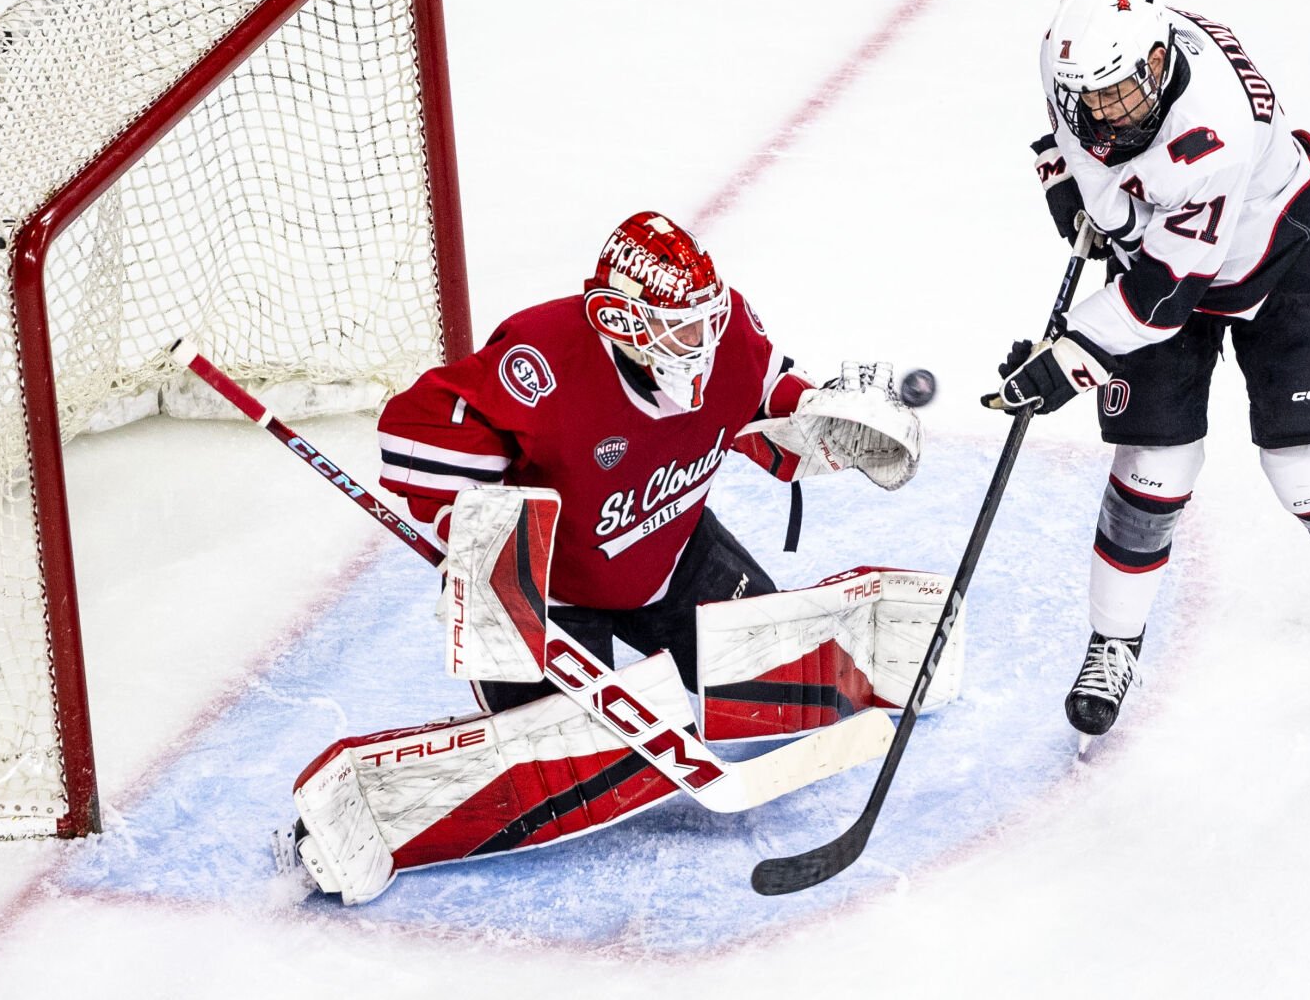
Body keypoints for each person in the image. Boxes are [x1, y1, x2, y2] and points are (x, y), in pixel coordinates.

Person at [282, 211, 926, 903]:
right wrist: (475, 535)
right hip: (552, 591)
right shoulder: (541, 357)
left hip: (670, 550)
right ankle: (378, 804)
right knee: (573, 759)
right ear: (619, 320)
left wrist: (825, 413)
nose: (703, 343)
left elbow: (769, 400)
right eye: (681, 328)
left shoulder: (729, 330)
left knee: (776, 686)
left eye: (708, 319)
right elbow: (418, 436)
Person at [984, 0, 1310, 741]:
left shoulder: (1210, 134)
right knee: (1150, 469)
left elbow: (1161, 295)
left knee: (1307, 471)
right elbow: (1068, 140)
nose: (1121, 108)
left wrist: (1065, 357)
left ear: (1161, 59)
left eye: (1133, 89)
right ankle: (1113, 641)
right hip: (1164, 253)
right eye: (1100, 98)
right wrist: (1069, 186)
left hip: (1273, 255)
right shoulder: (1076, 65)